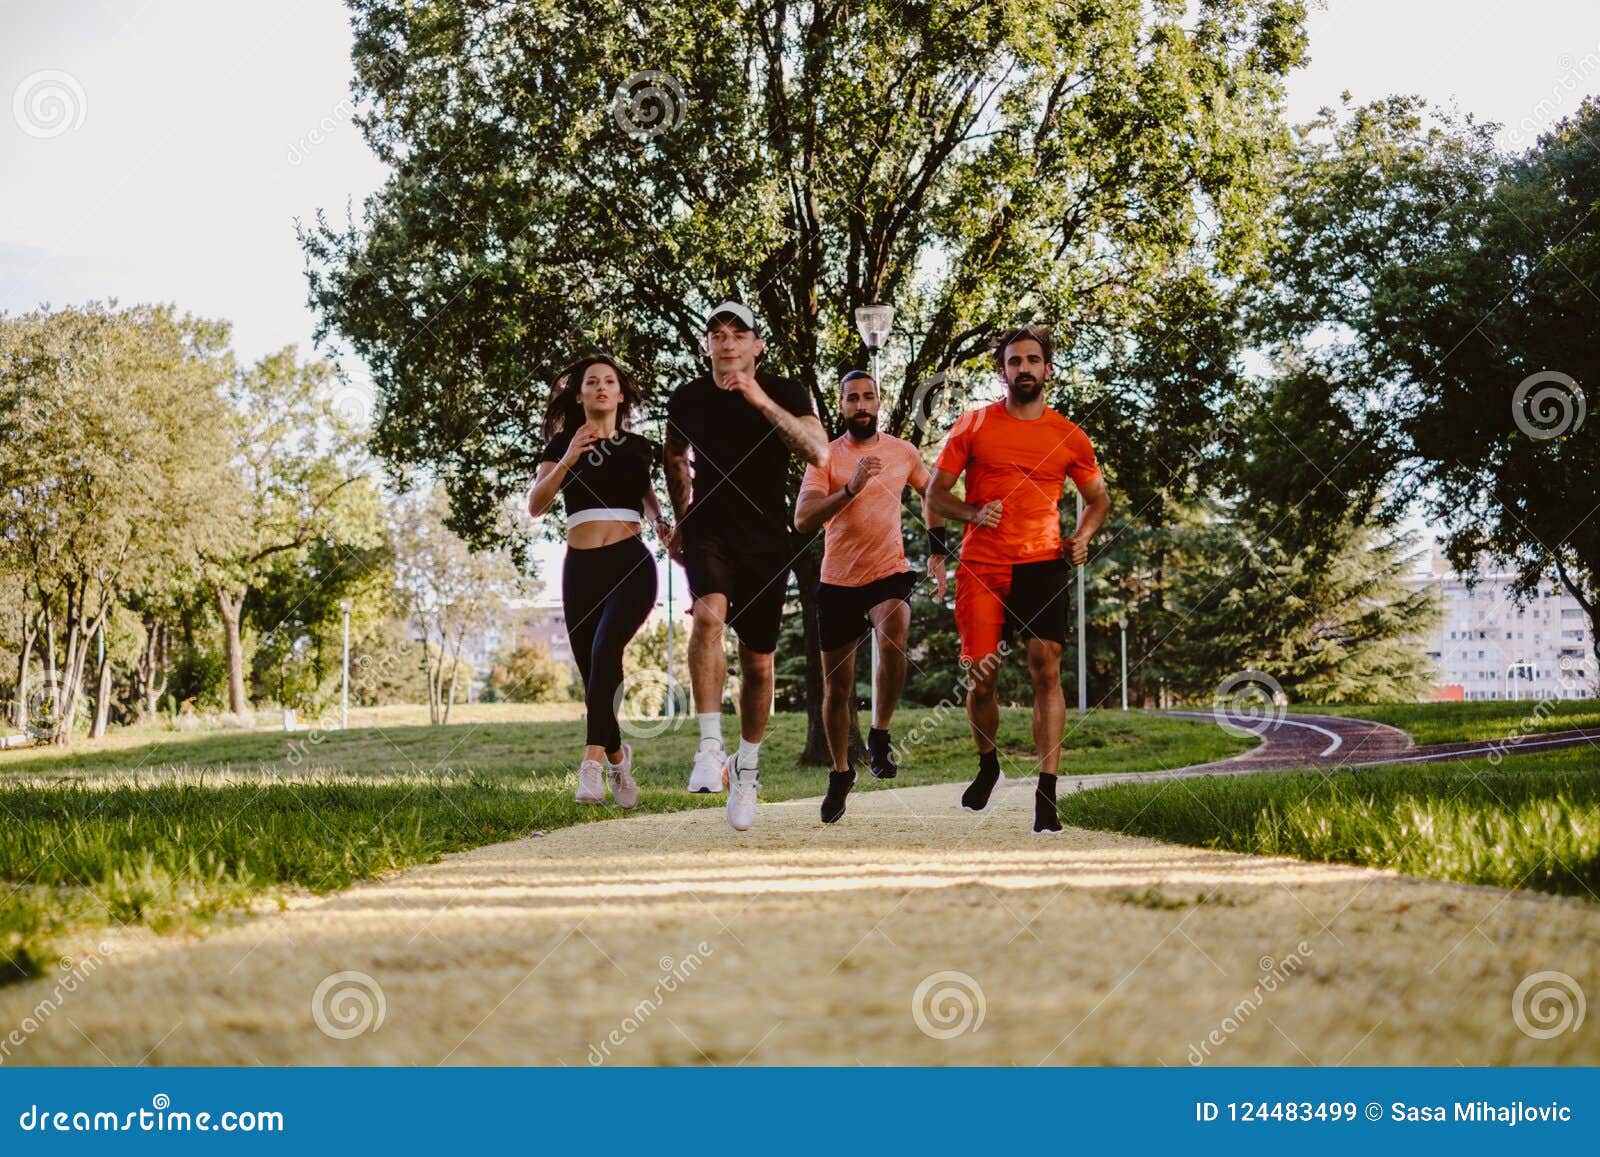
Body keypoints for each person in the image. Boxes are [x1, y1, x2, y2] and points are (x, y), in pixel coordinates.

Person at [926, 324, 1110, 834]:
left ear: (1047, 369)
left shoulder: (1069, 435)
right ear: (1002, 370)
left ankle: (1046, 792)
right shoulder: (973, 425)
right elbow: (934, 496)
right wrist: (970, 512)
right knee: (981, 678)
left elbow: (1098, 500)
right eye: (1014, 361)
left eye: (1033, 360)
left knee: (1044, 667)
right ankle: (989, 763)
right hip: (982, 567)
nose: (1024, 369)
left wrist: (1084, 535)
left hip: (1042, 563)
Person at [664, 301, 830, 831]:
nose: (727, 343)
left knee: (758, 662)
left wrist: (760, 401)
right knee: (707, 619)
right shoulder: (686, 398)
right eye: (717, 334)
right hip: (709, 527)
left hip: (765, 536)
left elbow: (819, 453)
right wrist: (681, 517)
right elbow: (673, 456)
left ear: (757, 345)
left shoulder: (785, 391)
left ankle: (748, 767)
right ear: (708, 345)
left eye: (739, 334)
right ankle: (710, 747)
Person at [794, 370, 947, 823]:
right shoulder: (826, 457)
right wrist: (850, 488)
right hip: (839, 579)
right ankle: (841, 772)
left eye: (868, 397)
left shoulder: (902, 452)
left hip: (888, 572)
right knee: (837, 689)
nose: (861, 405)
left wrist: (938, 551)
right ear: (840, 406)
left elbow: (931, 491)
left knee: (895, 629)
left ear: (879, 402)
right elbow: (803, 519)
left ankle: (880, 734)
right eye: (852, 399)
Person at [527, 353, 672, 809]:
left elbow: (647, 494)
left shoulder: (640, 447)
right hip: (581, 570)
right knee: (595, 673)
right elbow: (536, 504)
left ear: (620, 393)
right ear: (581, 394)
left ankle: (589, 765)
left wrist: (659, 518)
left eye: (610, 381)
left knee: (607, 648)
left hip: (632, 565)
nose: (602, 388)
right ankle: (617, 756)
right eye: (593, 382)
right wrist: (570, 455)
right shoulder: (559, 446)